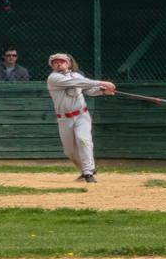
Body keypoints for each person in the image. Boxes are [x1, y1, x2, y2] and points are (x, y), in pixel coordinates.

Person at [44, 53, 114, 183]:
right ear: (52, 65)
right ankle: (85, 170)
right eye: (55, 62)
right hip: (64, 119)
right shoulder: (53, 78)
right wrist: (102, 83)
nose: (59, 63)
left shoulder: (76, 76)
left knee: (84, 140)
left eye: (62, 61)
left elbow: (88, 90)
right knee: (69, 151)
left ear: (68, 63)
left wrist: (102, 91)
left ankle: (88, 173)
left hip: (81, 114)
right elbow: (80, 83)